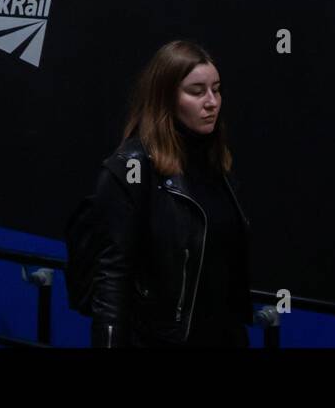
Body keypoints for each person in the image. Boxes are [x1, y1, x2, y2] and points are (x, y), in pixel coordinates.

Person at [89, 40, 252, 347]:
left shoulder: (217, 164)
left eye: (216, 89)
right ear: (165, 98)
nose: (212, 101)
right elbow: (112, 279)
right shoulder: (131, 168)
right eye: (196, 90)